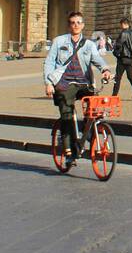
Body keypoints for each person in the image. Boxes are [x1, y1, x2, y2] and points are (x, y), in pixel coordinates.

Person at [43, 11, 111, 160]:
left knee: (94, 107)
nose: (76, 25)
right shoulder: (59, 42)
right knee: (67, 115)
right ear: (69, 25)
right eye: (73, 22)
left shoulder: (88, 44)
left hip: (84, 82)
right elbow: (49, 62)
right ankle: (69, 150)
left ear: (83, 25)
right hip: (64, 83)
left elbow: (97, 59)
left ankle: (88, 131)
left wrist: (105, 70)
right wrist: (49, 83)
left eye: (79, 22)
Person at [111, 17, 132, 101]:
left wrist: (115, 53)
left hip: (123, 58)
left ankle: (114, 96)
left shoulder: (123, 33)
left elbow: (118, 45)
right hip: (131, 58)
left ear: (123, 24)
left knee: (118, 78)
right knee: (131, 77)